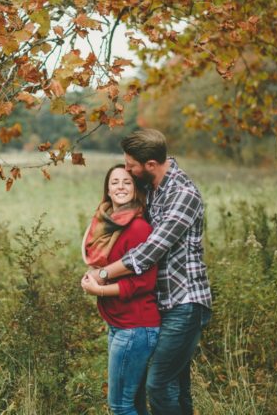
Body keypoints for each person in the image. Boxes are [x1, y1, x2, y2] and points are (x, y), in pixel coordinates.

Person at [86, 129, 212, 415]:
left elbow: (150, 250)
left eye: (131, 165)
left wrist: (103, 275)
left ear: (151, 165)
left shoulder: (183, 194)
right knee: (175, 384)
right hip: (161, 302)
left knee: (159, 384)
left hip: (185, 301)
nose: (127, 169)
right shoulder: (154, 188)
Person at [80, 164, 161, 415]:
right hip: (122, 325)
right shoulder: (106, 223)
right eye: (115, 182)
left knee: (120, 406)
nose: (121, 187)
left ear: (136, 189)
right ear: (107, 188)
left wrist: (100, 290)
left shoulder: (138, 228)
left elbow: (144, 283)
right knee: (134, 404)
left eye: (127, 182)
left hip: (135, 327)